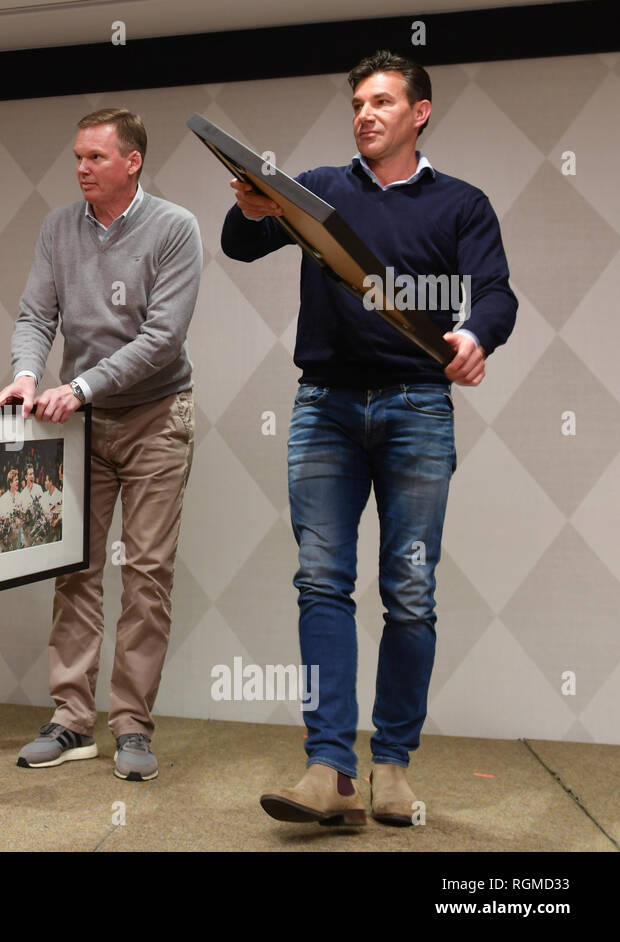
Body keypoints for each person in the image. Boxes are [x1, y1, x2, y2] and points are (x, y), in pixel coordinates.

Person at [221, 51, 516, 826]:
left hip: (419, 406)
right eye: (358, 102)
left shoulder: (461, 203)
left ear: (420, 113)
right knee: (321, 582)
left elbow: (496, 292)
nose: (366, 113)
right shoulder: (316, 188)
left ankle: (393, 766)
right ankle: (328, 769)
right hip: (325, 406)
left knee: (409, 595)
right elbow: (242, 243)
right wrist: (252, 204)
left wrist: (478, 335)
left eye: (383, 100)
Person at [0, 107, 200, 782]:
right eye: (77, 157)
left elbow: (161, 338)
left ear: (132, 162)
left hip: (154, 416)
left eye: (95, 158)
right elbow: (36, 315)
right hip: (81, 421)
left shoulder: (174, 228)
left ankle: (133, 726)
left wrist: (79, 386)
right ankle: (71, 720)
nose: (80, 168)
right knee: (73, 568)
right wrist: (27, 375)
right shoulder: (59, 228)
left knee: (146, 574)